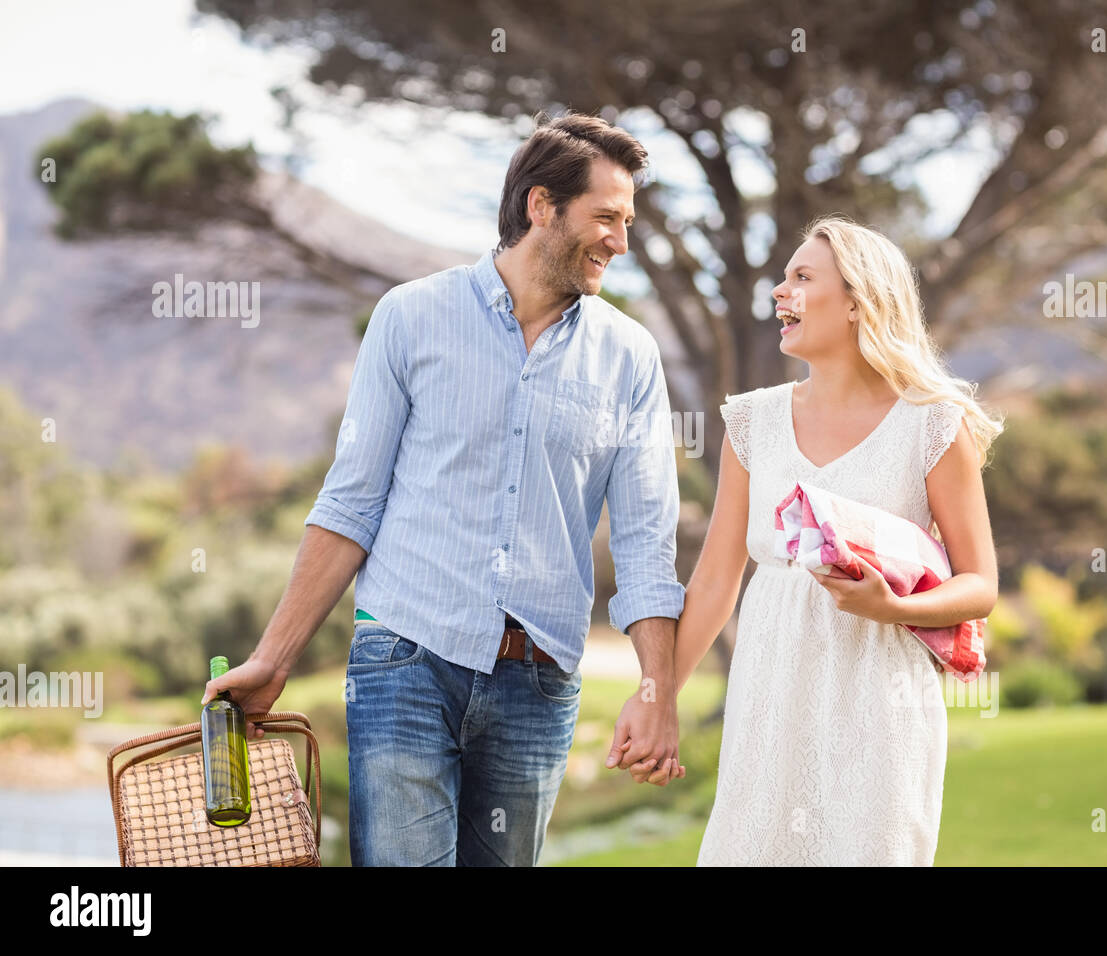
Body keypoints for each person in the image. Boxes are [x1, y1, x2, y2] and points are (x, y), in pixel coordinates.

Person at [201, 112, 688, 866]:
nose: (620, 242)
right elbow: (351, 502)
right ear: (540, 205)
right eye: (605, 218)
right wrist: (276, 657)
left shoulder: (629, 358)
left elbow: (647, 543)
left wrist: (657, 693)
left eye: (626, 222)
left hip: (539, 679)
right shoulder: (412, 318)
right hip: (406, 660)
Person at [672, 215, 1004, 865]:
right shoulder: (752, 422)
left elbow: (980, 586)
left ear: (857, 301)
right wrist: (658, 699)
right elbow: (715, 581)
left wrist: (895, 609)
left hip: (881, 706)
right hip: (769, 702)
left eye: (802, 278)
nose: (778, 292)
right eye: (783, 278)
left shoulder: (932, 426)